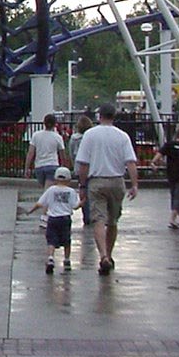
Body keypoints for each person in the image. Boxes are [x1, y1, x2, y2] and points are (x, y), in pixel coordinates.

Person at [74, 104, 139, 276]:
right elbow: (130, 162)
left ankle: (102, 255)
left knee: (98, 220)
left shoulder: (90, 135)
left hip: (97, 181)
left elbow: (83, 164)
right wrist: (134, 184)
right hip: (117, 181)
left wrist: (82, 185)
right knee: (113, 221)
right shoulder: (122, 136)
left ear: (99, 116)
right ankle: (109, 254)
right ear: (114, 116)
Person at [26, 166, 82, 274]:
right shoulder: (71, 191)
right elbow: (75, 206)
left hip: (52, 219)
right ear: (69, 180)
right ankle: (66, 260)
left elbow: (40, 203)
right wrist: (82, 203)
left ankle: (51, 258)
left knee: (51, 240)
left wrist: (30, 211)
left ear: (56, 179)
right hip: (65, 218)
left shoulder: (51, 190)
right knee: (66, 240)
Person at [151, 125, 179, 229]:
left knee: (174, 196)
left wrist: (154, 163)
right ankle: (172, 220)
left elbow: (158, 156)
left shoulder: (169, 145)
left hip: (171, 175)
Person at [25, 113, 68, 188]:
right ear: (55, 124)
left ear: (44, 123)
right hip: (52, 165)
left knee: (44, 188)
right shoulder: (57, 137)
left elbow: (30, 153)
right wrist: (64, 167)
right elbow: (62, 155)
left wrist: (27, 168)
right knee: (48, 190)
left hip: (39, 166)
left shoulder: (36, 135)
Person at [69, 114, 94, 225]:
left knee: (83, 192)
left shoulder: (74, 139)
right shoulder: (92, 138)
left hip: (79, 168)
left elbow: (71, 153)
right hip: (92, 168)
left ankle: (86, 215)